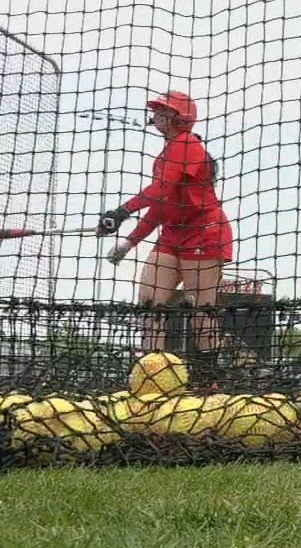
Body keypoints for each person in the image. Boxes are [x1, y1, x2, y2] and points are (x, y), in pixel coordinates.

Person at [96, 90, 242, 364]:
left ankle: (211, 378)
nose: (157, 115)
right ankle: (153, 371)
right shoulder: (166, 154)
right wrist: (129, 243)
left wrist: (123, 211)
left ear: (180, 118)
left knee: (201, 312)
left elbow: (162, 189)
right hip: (174, 233)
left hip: (204, 231)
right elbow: (161, 206)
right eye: (157, 110)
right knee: (150, 302)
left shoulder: (187, 145)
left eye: (165, 111)